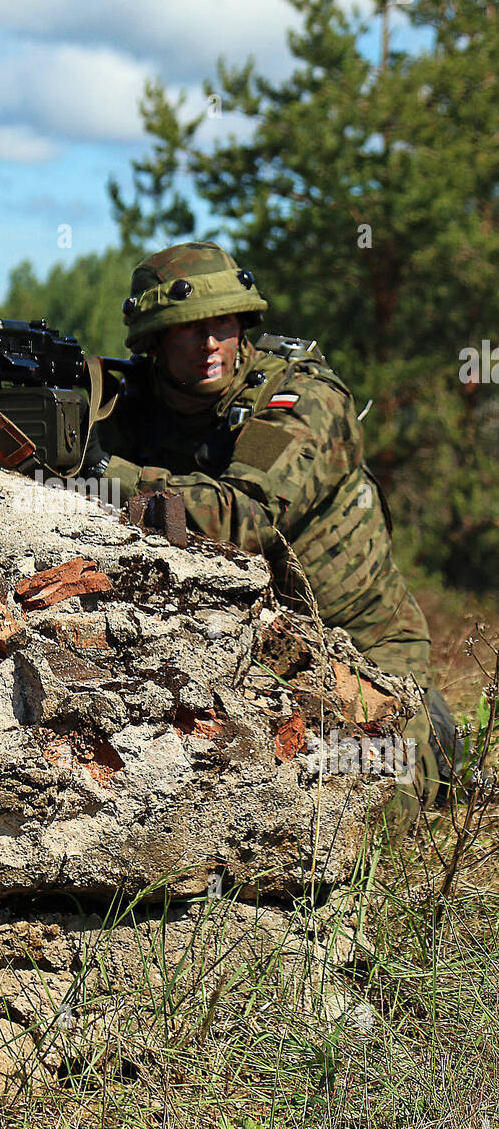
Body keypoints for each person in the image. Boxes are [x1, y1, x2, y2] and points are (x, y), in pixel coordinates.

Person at [81, 241, 456, 821]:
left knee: (360, 809)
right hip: (248, 654)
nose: (210, 344)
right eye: (188, 329)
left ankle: (439, 746)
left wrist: (103, 473)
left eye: (223, 323)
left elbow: (247, 518)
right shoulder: (139, 400)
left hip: (365, 654)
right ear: (154, 342)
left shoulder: (302, 399)